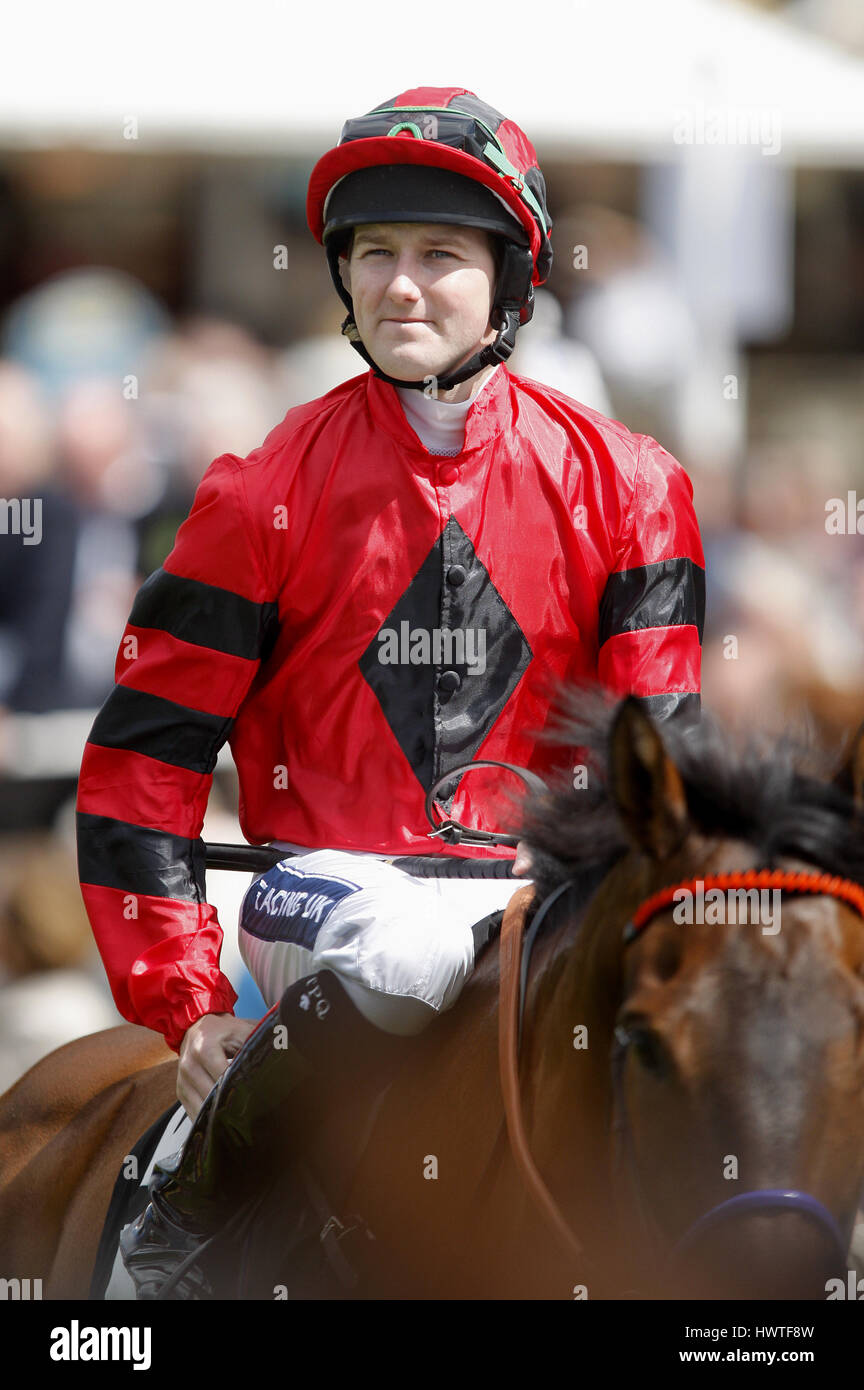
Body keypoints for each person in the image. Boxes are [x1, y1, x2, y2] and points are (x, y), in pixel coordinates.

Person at [76, 87, 705, 1299]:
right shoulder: (255, 494)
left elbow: (658, 778)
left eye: (438, 257)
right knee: (409, 944)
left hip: (540, 912)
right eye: (375, 256)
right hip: (321, 888)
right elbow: (141, 768)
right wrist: (191, 1002)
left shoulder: (632, 487)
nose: (401, 286)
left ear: (509, 280)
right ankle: (189, 1220)